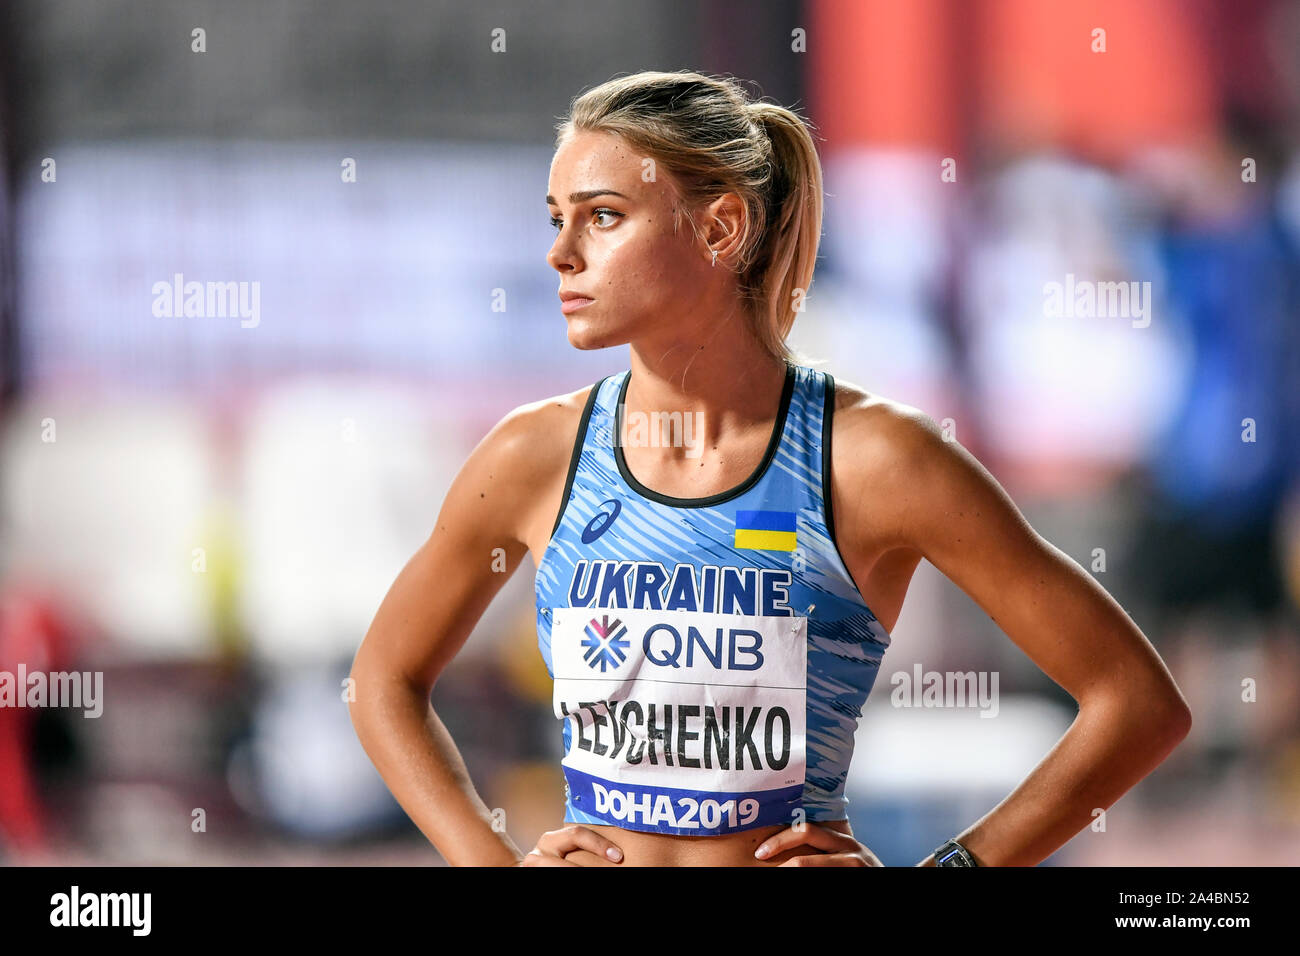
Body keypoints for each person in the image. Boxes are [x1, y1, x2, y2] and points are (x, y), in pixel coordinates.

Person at [348, 70, 1191, 867]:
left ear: (720, 228)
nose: (560, 254)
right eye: (555, 219)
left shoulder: (875, 459)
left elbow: (1137, 703)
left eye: (601, 216)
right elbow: (382, 680)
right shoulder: (534, 454)